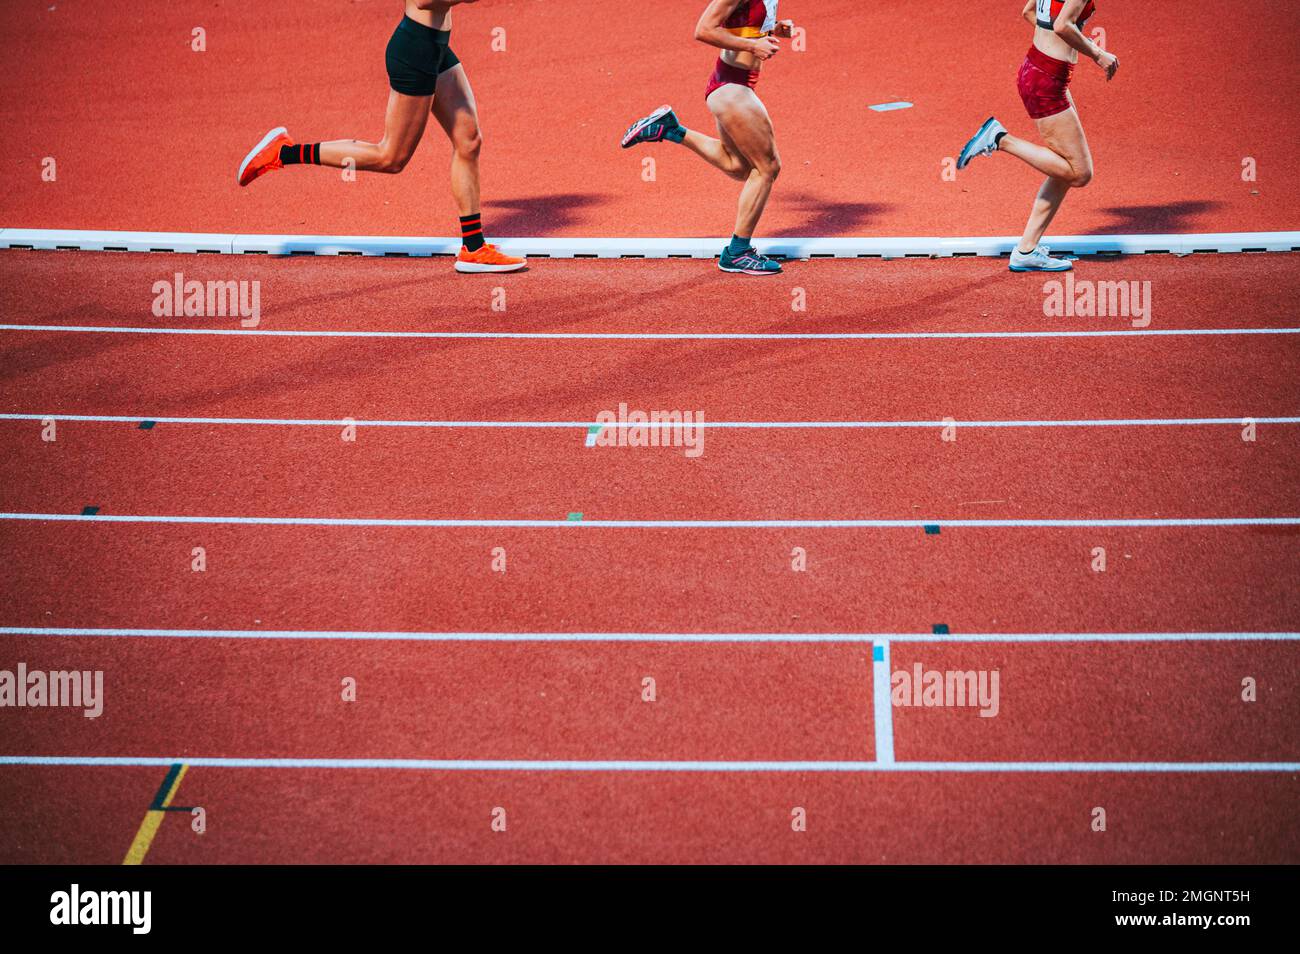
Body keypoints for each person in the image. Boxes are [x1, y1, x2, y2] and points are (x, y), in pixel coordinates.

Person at [236, 1, 525, 273]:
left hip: (436, 47)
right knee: (390, 157)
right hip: (416, 52)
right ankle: (284, 152)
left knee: (468, 139)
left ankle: (473, 248)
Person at [621, 1, 794, 276]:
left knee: (739, 167)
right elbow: (703, 30)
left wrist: (772, 29)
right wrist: (753, 46)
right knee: (768, 168)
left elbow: (740, 25)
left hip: (734, 83)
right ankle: (738, 253)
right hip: (732, 89)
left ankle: (671, 130)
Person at [956, 0, 1119, 272]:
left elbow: (1028, 13)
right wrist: (1097, 53)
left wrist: (1058, 47)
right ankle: (1000, 139)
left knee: (1065, 169)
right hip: (1047, 81)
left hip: (1039, 69)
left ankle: (1026, 250)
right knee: (1080, 173)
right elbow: (1063, 24)